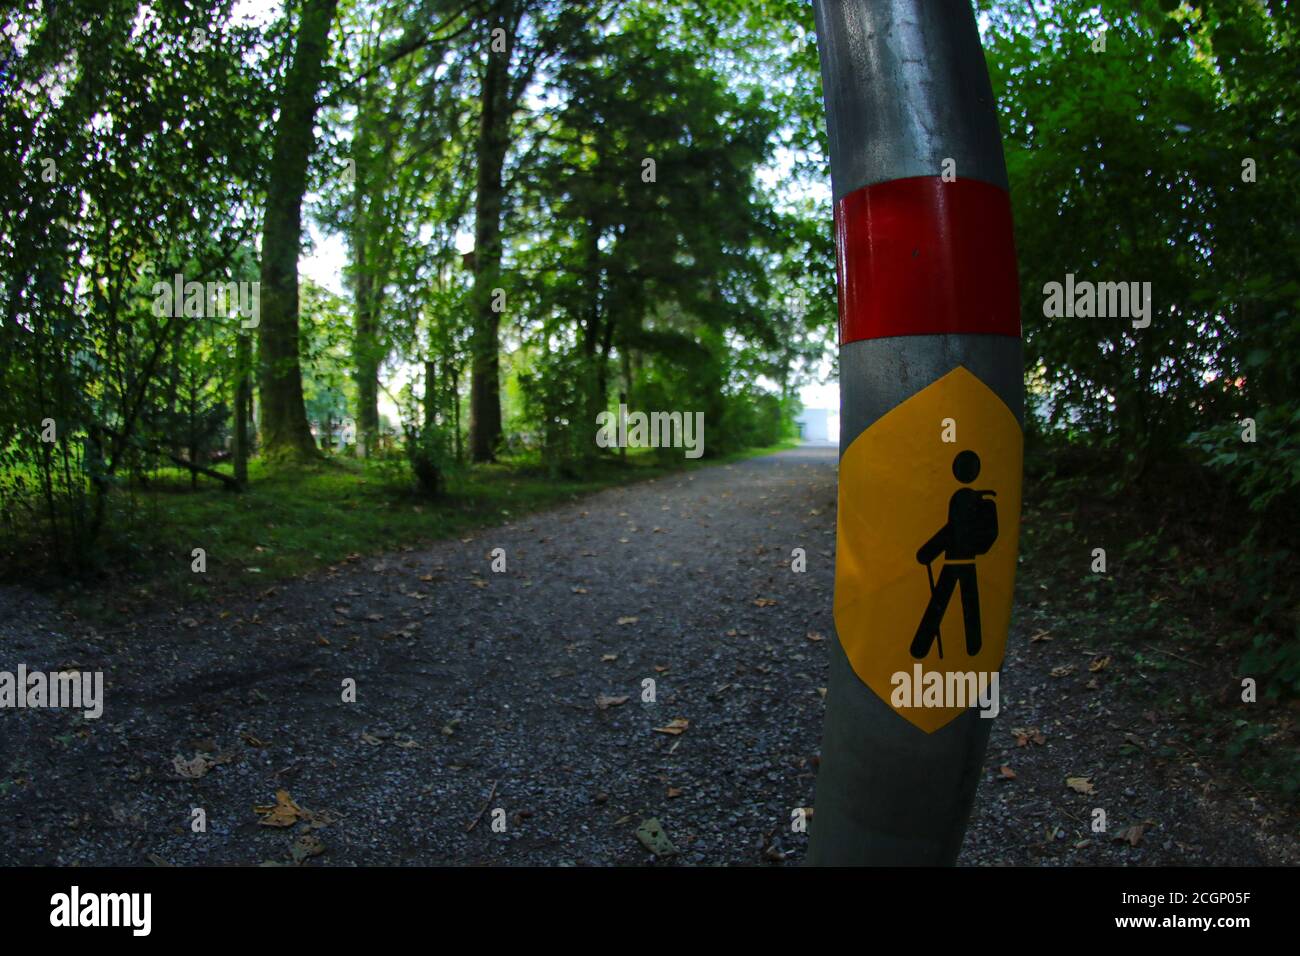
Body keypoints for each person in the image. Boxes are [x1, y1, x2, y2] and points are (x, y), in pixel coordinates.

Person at [910, 450, 997, 660]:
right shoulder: (979, 498)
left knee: (939, 602)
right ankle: (974, 647)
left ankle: (920, 648)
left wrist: (926, 553)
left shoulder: (961, 498)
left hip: (952, 561)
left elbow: (951, 530)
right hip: (969, 561)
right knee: (970, 603)